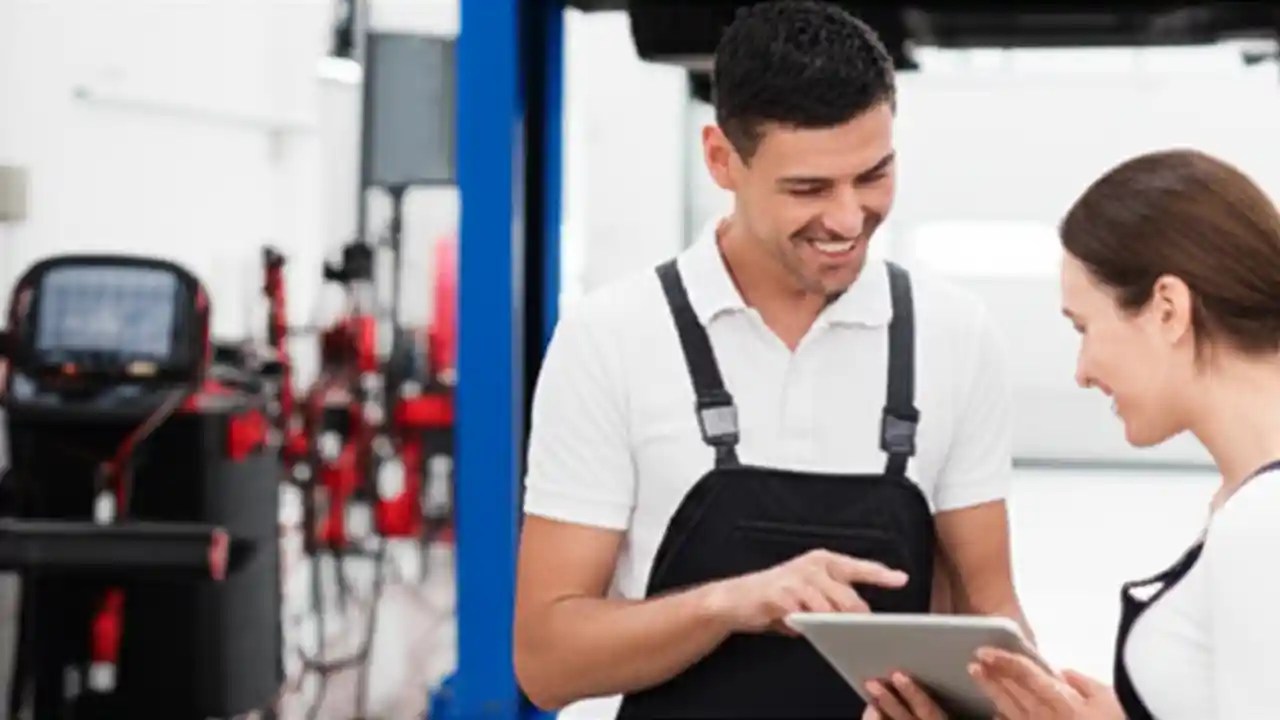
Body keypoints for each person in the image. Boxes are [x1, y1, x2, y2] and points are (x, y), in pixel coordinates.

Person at [513, 1, 1033, 718]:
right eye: (808, 188)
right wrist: (731, 603)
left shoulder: (953, 337)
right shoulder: (613, 339)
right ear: (721, 159)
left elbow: (991, 615)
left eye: (873, 175)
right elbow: (547, 662)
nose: (847, 219)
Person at [865, 148, 1280, 720]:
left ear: (1167, 309)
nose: (1081, 372)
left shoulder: (1263, 520)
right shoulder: (1249, 508)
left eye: (1084, 328)